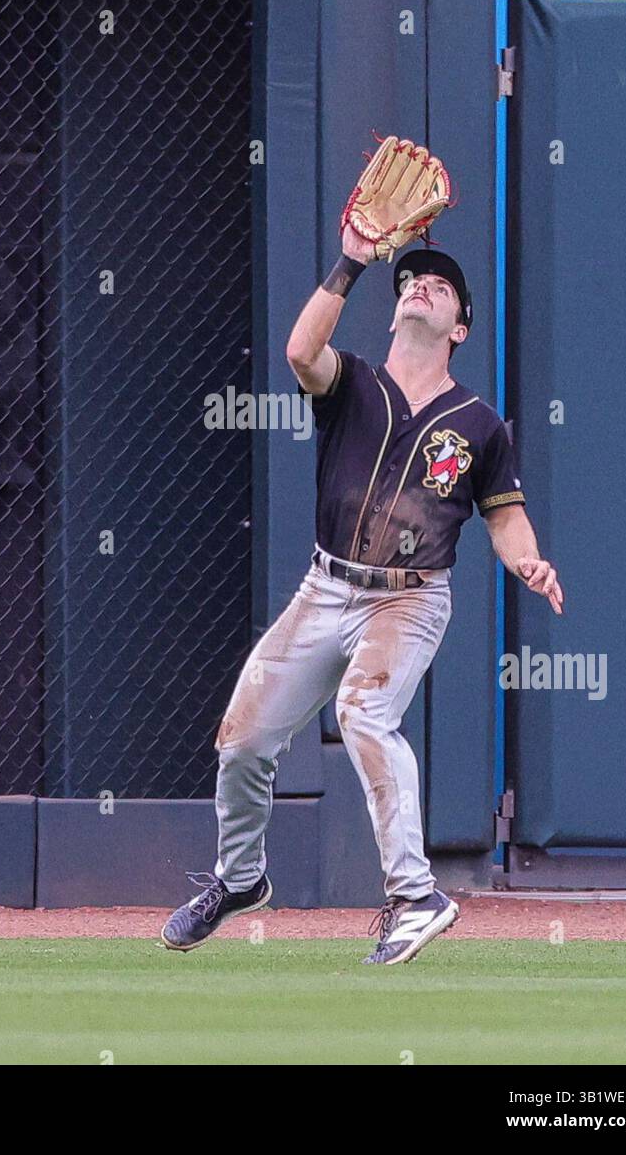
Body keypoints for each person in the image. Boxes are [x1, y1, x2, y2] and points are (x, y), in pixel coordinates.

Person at [162, 226, 562, 965]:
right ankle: (240, 879)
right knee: (243, 740)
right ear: (393, 312)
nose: (421, 287)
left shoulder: (478, 424)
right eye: (411, 281)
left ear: (460, 328)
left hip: (408, 600)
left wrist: (528, 560)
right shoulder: (352, 383)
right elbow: (299, 353)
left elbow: (504, 516)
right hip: (326, 587)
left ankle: (415, 897)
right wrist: (352, 261)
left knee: (364, 712)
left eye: (440, 286)